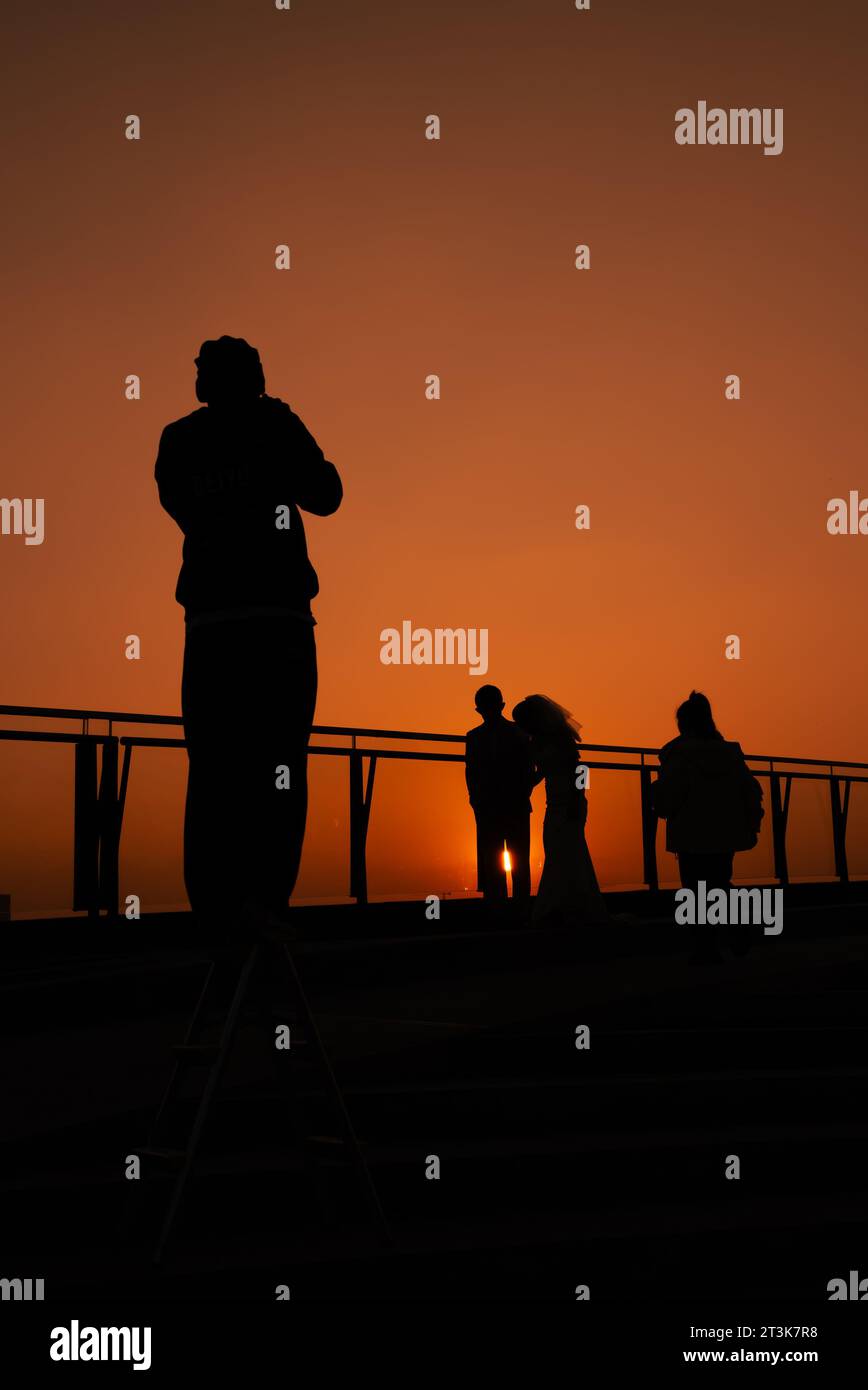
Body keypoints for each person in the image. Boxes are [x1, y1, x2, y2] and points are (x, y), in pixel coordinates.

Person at [155, 335, 342, 928]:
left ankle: (215, 908)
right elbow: (328, 494)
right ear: (256, 376)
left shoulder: (179, 441)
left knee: (213, 767)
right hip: (278, 621)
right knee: (281, 764)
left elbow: (184, 508)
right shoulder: (276, 423)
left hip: (212, 625)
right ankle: (267, 904)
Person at [652, 690, 764, 962]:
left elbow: (670, 797)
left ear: (683, 724)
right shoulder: (729, 754)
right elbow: (750, 790)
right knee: (719, 881)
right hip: (724, 832)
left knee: (695, 888)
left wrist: (657, 797)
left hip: (691, 832)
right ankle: (738, 926)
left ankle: (706, 947)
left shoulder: (679, 755)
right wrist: (750, 821)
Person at [511, 694, 609, 927]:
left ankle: (558, 907)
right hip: (553, 802)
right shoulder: (537, 741)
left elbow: (580, 770)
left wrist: (577, 798)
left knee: (565, 852)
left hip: (570, 801)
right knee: (560, 853)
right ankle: (568, 905)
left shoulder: (560, 740)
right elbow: (541, 772)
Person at [465, 685, 535, 908]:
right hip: (516, 805)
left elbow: (472, 774)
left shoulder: (474, 737)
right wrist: (523, 792)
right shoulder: (520, 733)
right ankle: (522, 909)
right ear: (502, 706)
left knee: (493, 862)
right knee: (520, 861)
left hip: (488, 808)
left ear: (479, 710)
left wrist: (476, 801)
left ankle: (497, 909)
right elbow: (529, 769)